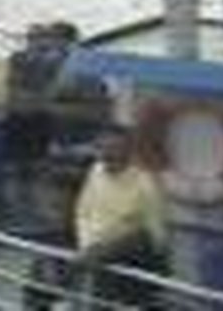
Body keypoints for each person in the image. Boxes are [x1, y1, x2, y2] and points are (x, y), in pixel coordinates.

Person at [72, 124, 168, 306]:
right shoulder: (95, 171)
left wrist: (111, 248)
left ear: (128, 151)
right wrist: (87, 243)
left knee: (134, 237)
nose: (107, 154)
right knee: (99, 292)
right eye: (103, 148)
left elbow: (156, 235)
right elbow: (82, 212)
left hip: (130, 258)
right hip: (95, 252)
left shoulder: (145, 183)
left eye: (114, 149)